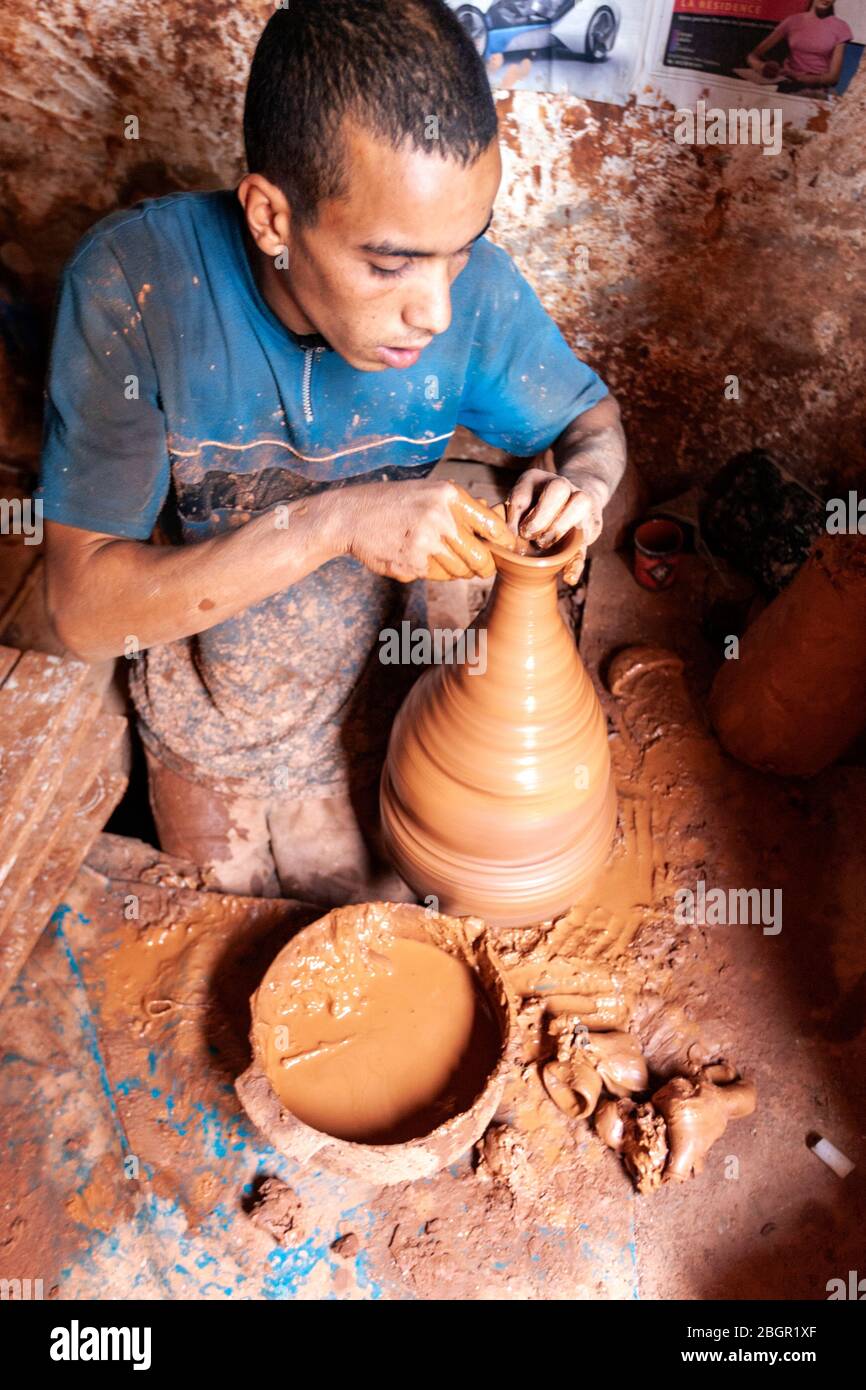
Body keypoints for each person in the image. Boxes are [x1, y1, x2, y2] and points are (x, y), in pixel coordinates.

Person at [39, 0, 626, 905]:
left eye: (459, 253)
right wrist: (335, 522)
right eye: (389, 266)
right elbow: (81, 613)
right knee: (221, 938)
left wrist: (584, 485)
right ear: (272, 217)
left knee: (367, 925)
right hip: (202, 704)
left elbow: (594, 428)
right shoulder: (136, 283)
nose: (433, 311)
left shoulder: (474, 300)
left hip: (365, 693)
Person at [747, 0, 853, 93]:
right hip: (787, 85)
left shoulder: (841, 27)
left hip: (817, 91)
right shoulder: (793, 21)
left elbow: (833, 78)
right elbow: (752, 56)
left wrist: (801, 78)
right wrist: (761, 67)